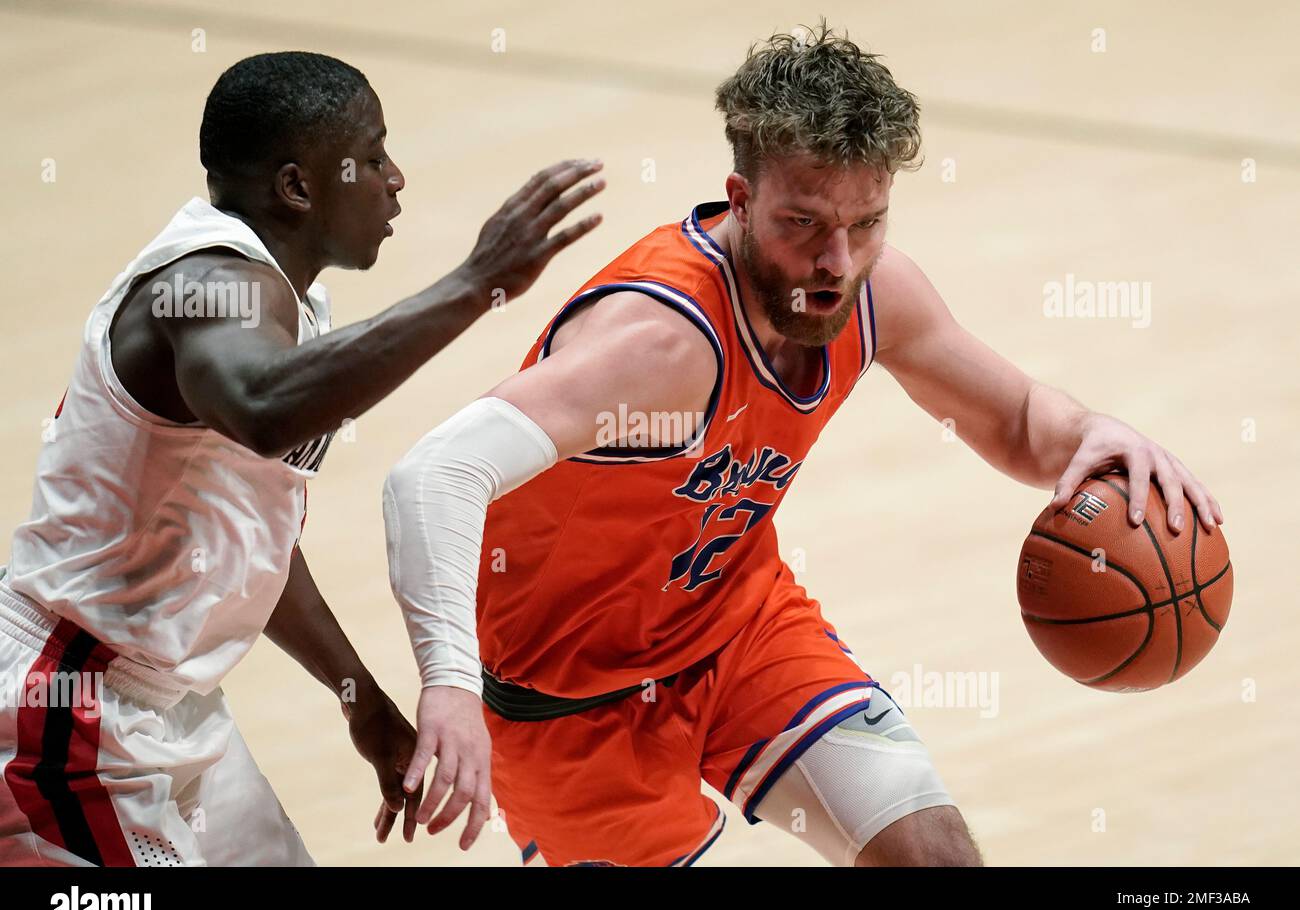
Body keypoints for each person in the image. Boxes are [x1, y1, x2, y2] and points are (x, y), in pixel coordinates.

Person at [382, 25, 1223, 866]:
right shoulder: (662, 344)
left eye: (867, 223)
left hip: (736, 630)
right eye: (804, 223)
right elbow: (435, 474)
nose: (837, 260)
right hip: (564, 703)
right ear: (740, 199)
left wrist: (1091, 431)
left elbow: (1017, 420)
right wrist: (448, 684)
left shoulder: (872, 294)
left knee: (935, 857)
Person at [0, 50, 603, 866]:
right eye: (373, 154)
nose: (396, 178)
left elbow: (248, 542)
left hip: (168, 701)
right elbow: (262, 407)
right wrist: (475, 282)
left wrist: (359, 699)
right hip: (71, 709)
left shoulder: (285, 299)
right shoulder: (212, 285)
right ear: (297, 187)